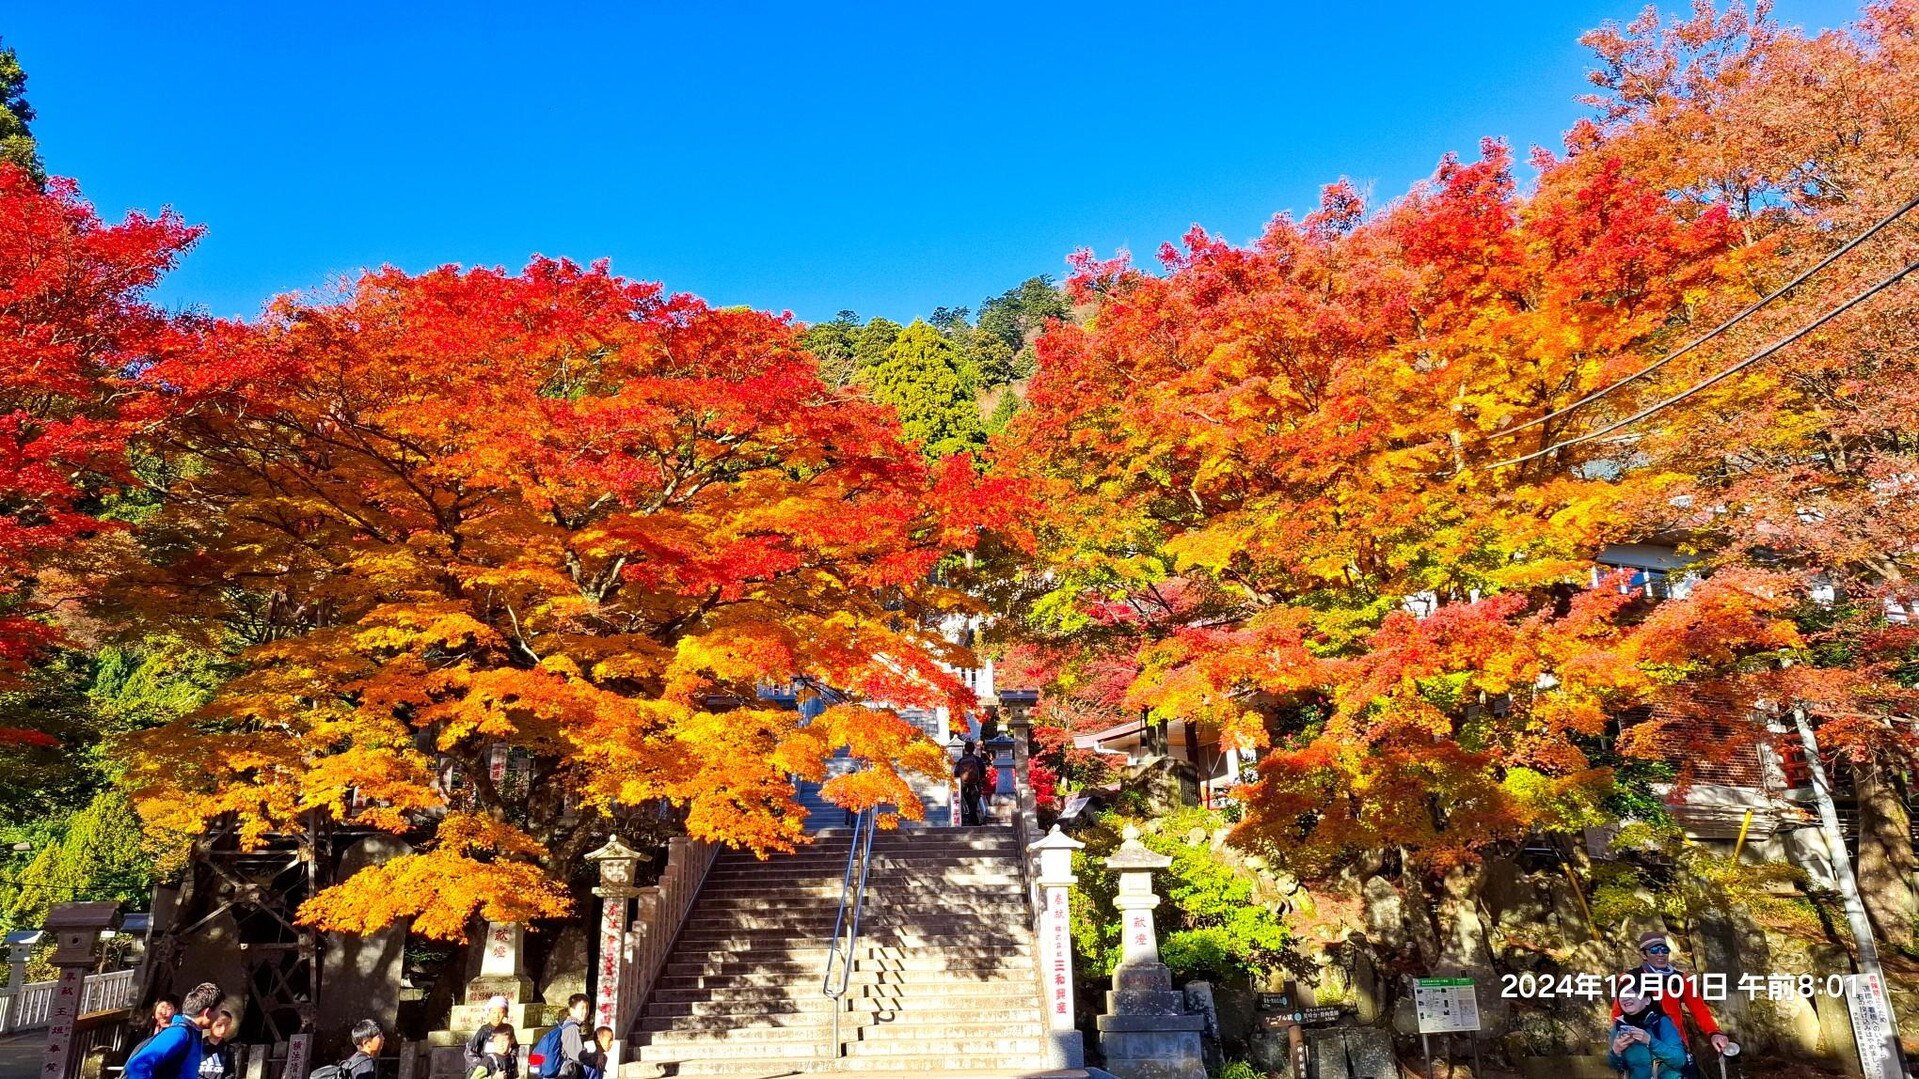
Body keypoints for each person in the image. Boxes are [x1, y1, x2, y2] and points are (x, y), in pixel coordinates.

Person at [1611, 931, 1729, 1079]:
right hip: (1641, 1050)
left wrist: (1714, 1032)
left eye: (1664, 950)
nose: (1661, 954)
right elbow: (1617, 1014)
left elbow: (1699, 1010)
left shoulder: (1680, 979)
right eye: (1654, 950)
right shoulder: (1630, 978)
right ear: (1644, 955)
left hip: (1675, 1047)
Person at [125, 982, 222, 1079]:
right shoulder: (179, 1033)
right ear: (207, 1013)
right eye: (219, 1010)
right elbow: (138, 1065)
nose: (220, 1015)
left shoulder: (193, 1032)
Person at [1609, 991, 1687, 1079]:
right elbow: (1617, 1067)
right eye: (1621, 995)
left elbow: (1680, 1061)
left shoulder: (1660, 1022)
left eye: (1631, 993)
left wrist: (1650, 1041)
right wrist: (1615, 1052)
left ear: (1647, 1000)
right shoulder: (1619, 1027)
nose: (1625, 998)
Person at [463, 995, 516, 1079]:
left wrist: (510, 1060)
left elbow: (515, 1047)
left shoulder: (508, 1030)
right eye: (493, 1012)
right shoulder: (484, 1030)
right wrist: (482, 1063)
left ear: (505, 1013)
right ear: (489, 1013)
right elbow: (469, 1052)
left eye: (500, 1012)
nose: (497, 1016)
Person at [554, 995, 599, 1079]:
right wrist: (595, 1058)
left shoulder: (569, 1025)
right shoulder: (571, 1028)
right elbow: (577, 1055)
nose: (585, 1011)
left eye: (587, 1008)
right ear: (571, 1010)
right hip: (567, 1073)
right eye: (582, 1008)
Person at [197, 1011, 238, 1079]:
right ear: (211, 1024)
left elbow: (230, 1074)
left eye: (227, 1024)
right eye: (219, 1025)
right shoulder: (197, 1045)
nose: (223, 1029)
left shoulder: (229, 1050)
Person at [954, 741, 985, 826]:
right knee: (974, 802)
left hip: (964, 785)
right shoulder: (978, 760)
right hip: (975, 784)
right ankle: (974, 820)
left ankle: (971, 819)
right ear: (974, 749)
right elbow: (983, 771)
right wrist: (980, 779)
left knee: (968, 801)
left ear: (965, 749)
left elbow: (956, 773)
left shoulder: (961, 760)